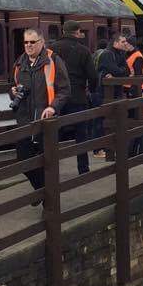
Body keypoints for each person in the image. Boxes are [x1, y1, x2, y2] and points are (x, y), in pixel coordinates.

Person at [10, 28, 70, 190]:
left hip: (46, 120)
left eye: (32, 42)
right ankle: (41, 189)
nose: (29, 45)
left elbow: (64, 90)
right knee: (23, 159)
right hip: (24, 120)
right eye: (26, 42)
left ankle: (48, 200)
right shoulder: (19, 63)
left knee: (47, 161)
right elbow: (14, 86)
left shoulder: (53, 61)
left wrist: (53, 107)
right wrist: (13, 92)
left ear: (41, 43)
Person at [51, 23, 98, 175]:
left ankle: (52, 171)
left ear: (63, 32)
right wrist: (90, 90)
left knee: (53, 135)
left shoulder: (51, 49)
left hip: (56, 98)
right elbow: (92, 75)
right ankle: (83, 169)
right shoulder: (83, 50)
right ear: (77, 33)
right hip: (77, 97)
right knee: (81, 135)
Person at [95, 35, 133, 160]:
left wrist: (119, 71)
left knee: (113, 120)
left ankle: (110, 147)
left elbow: (126, 71)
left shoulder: (120, 54)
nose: (125, 43)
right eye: (123, 41)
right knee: (103, 120)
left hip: (116, 91)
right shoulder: (107, 54)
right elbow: (117, 70)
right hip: (103, 92)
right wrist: (119, 71)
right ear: (116, 42)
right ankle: (99, 148)